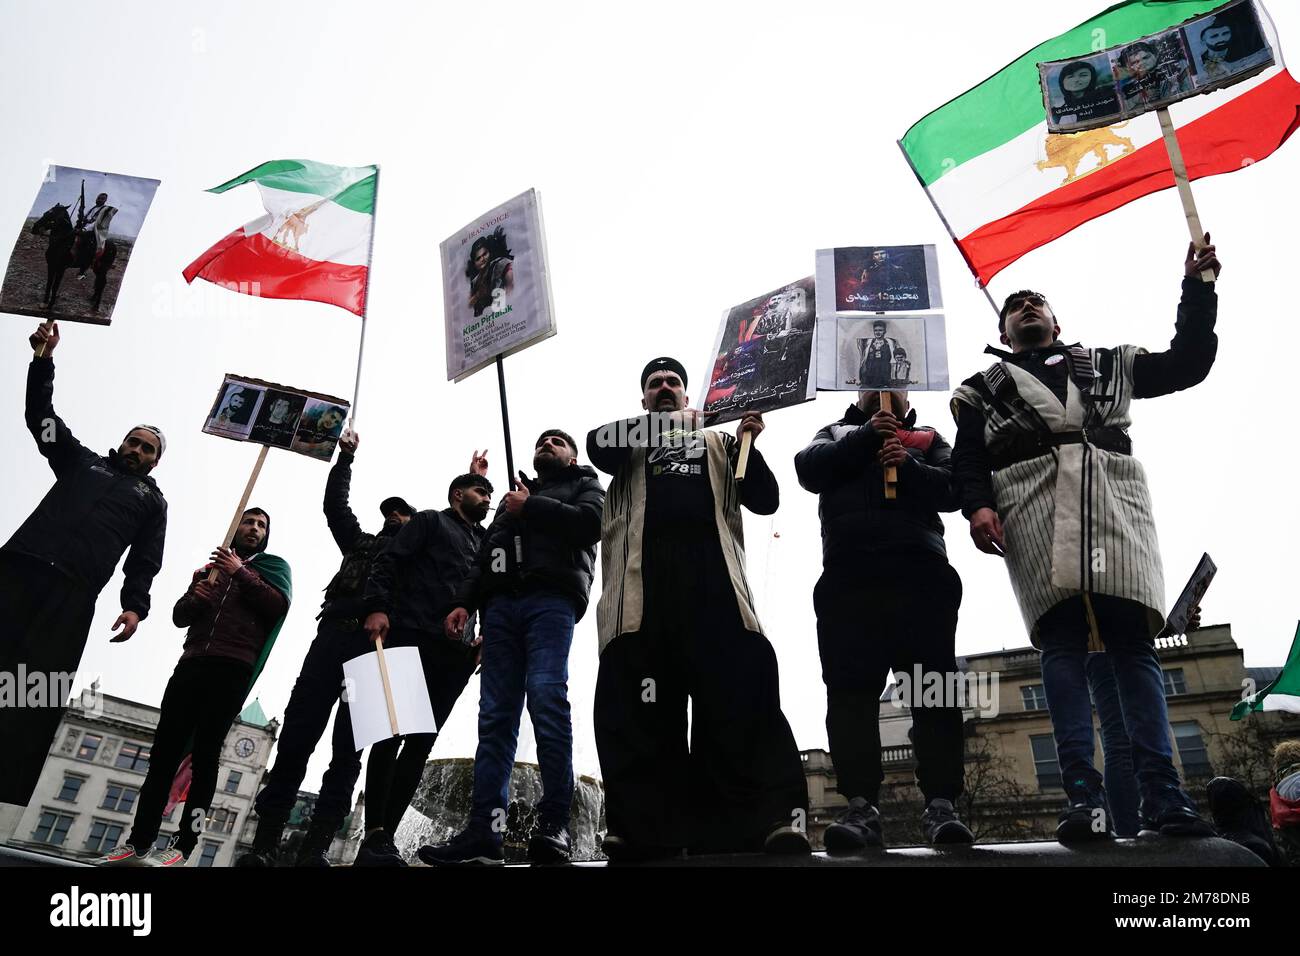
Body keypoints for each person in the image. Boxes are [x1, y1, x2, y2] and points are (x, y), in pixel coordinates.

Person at [950, 238, 1222, 843]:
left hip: (1113, 503)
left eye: (1036, 302)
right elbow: (967, 458)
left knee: (1133, 644)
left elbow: (1187, 363)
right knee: (1061, 646)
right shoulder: (981, 387)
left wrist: (1198, 289)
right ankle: (1083, 799)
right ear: (1005, 327)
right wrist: (977, 507)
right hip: (1032, 507)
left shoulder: (1105, 362)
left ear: (1055, 321)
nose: (1026, 307)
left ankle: (1166, 795)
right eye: (1015, 305)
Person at [586, 357, 809, 860]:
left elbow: (765, 499)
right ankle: (642, 829)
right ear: (644, 399)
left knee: (740, 702)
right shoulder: (625, 442)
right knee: (641, 711)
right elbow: (595, 442)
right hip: (641, 597)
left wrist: (751, 440)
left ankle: (761, 822)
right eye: (654, 384)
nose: (664, 388)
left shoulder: (723, 442)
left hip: (718, 591)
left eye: (673, 384)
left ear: (688, 395)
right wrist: (670, 422)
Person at [236, 436, 478, 867]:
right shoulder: (361, 544)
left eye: (402, 513)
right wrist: (344, 458)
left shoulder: (425, 547)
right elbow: (335, 506)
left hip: (378, 651)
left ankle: (317, 849)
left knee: (349, 752)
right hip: (334, 638)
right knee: (297, 738)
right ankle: (265, 843)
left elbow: (457, 560)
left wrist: (472, 486)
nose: (394, 518)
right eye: (388, 512)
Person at [795, 388, 973, 849]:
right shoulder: (835, 432)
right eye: (869, 381)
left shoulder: (929, 436)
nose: (881, 386)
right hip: (847, 575)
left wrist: (909, 464)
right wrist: (866, 439)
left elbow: (955, 488)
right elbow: (808, 469)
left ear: (906, 389)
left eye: (893, 380)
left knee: (933, 690)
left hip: (922, 571)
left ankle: (941, 805)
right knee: (850, 694)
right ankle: (860, 806)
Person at [0, 322, 167, 808]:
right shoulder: (80, 461)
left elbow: (145, 562)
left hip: (72, 596)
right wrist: (43, 360)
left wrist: (135, 606)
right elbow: (40, 417)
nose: (137, 449)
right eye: (133, 441)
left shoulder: (152, 503)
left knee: (30, 689)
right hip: (19, 569)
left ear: (155, 462)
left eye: (147, 448)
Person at [420, 430, 604, 866]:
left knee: (546, 696)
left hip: (551, 600)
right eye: (542, 440)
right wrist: (465, 601)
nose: (548, 444)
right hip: (501, 607)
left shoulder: (586, 482)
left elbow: (592, 525)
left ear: (573, 456)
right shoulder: (509, 501)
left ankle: (553, 823)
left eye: (558, 441)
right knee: (496, 715)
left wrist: (533, 507)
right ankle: (484, 829)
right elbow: (486, 554)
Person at [99, 508, 292, 866]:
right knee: (163, 756)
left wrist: (241, 573)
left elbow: (277, 606)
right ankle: (139, 841)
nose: (254, 528)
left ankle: (185, 844)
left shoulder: (271, 568)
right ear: (235, 528)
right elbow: (179, 616)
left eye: (261, 525)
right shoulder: (207, 572)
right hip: (191, 664)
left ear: (266, 535)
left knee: (206, 758)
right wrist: (196, 598)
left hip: (232, 666)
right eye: (248, 522)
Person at [353, 470, 495, 866]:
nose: (486, 498)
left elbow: (484, 592)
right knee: (389, 733)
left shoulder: (484, 544)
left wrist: (482, 636)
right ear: (457, 495)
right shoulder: (430, 520)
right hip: (410, 633)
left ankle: (388, 838)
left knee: (420, 744)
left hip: (456, 654)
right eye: (480, 490)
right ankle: (374, 834)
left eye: (489, 493)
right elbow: (389, 561)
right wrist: (376, 606)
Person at [466, 226, 514, 317]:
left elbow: (511, 288)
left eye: (485, 254)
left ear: (489, 252)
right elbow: (469, 305)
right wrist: (477, 296)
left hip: (504, 314)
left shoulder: (500, 265)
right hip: (484, 319)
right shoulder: (475, 281)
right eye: (478, 258)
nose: (482, 259)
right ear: (474, 263)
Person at [74, 192, 115, 278]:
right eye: (98, 198)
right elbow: (85, 218)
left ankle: (83, 269)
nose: (99, 199)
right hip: (84, 228)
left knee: (88, 246)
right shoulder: (92, 208)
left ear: (105, 200)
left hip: (94, 231)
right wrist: (80, 216)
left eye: (102, 198)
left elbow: (97, 223)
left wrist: (85, 229)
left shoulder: (105, 210)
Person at [858, 321, 895, 388]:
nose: (878, 332)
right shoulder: (869, 343)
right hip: (871, 373)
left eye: (880, 330)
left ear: (885, 331)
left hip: (884, 373)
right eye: (876, 330)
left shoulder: (889, 343)